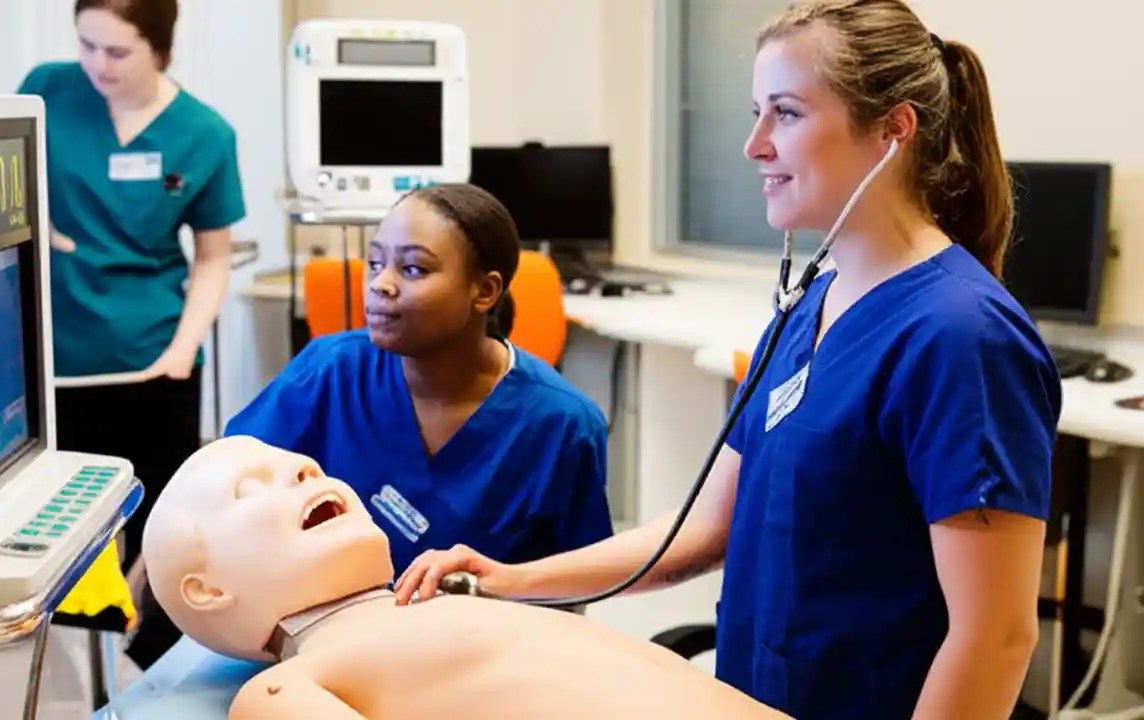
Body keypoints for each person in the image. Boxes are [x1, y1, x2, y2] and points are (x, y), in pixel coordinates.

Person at [394, 2, 1062, 718]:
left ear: (892, 130)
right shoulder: (811, 305)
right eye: (755, 113)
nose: (754, 145)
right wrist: (506, 579)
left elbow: (995, 638)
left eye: (787, 113)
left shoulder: (961, 337)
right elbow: (704, 530)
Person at [138, 434, 789, 719]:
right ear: (207, 591)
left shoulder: (437, 604)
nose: (303, 471)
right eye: (250, 489)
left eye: (302, 465)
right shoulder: (282, 689)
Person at [225, 183, 613, 577]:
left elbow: (576, 579)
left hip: (480, 618)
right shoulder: (331, 370)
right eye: (375, 263)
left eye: (413, 269)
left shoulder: (560, 425)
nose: (380, 284)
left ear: (485, 291)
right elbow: (229, 484)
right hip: (331, 610)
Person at [17, 0, 244, 667]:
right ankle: (80, 672)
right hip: (57, 362)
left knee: (162, 533)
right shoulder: (46, 89)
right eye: (86, 45)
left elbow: (214, 259)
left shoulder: (204, 133)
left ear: (161, 50)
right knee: (68, 539)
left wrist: (182, 350)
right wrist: (28, 217)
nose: (97, 64)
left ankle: (156, 674)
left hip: (152, 363)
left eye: (117, 52)